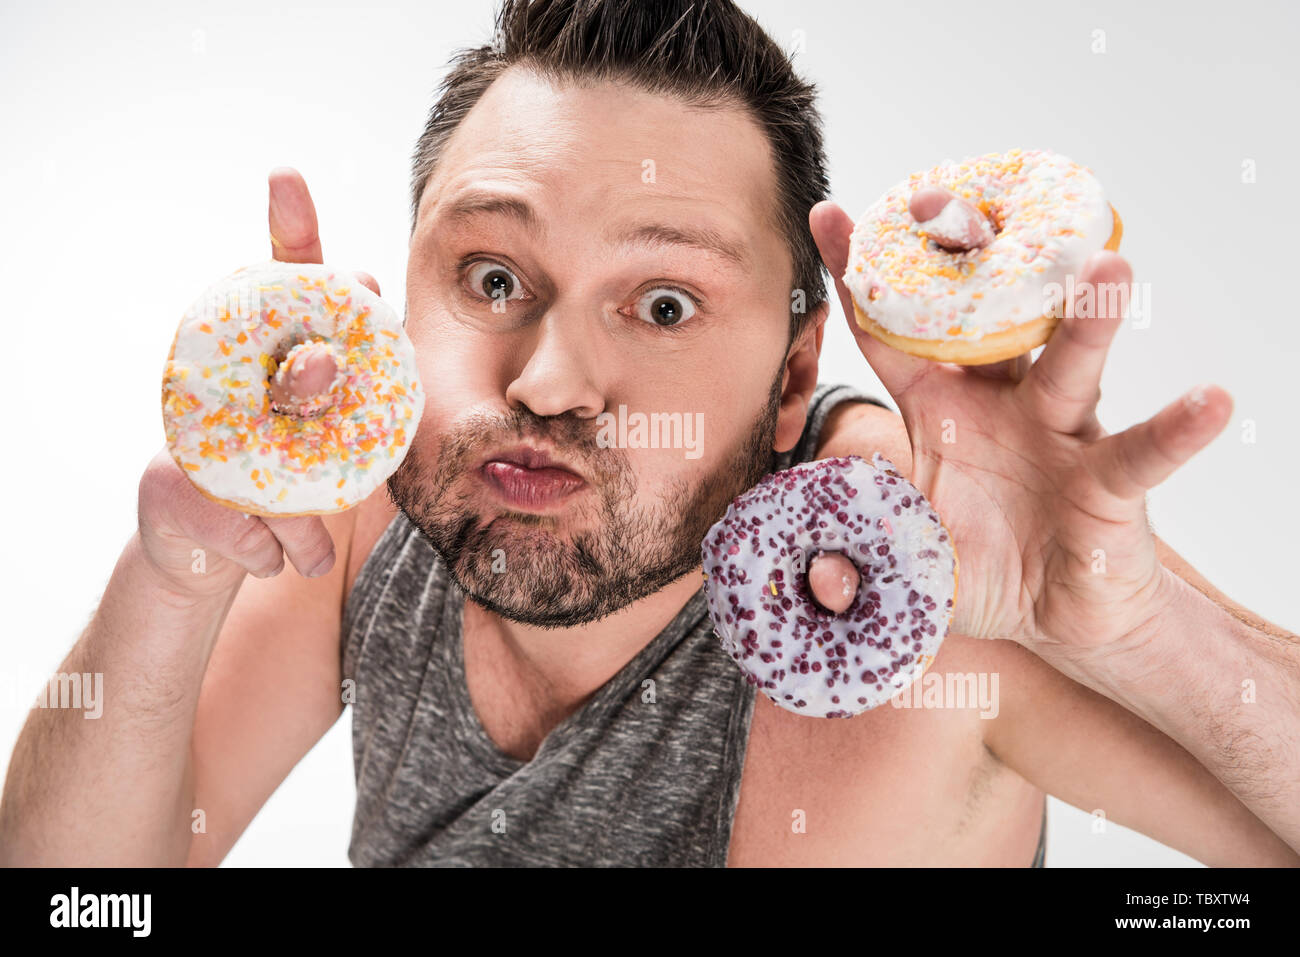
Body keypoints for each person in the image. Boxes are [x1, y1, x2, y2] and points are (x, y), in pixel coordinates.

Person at [2, 0, 1297, 867]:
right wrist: (172, 569)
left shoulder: (921, 591)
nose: (552, 380)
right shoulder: (368, 532)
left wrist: (1142, 633)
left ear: (795, 376)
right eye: (494, 279)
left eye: (664, 302)